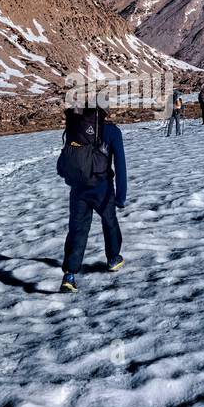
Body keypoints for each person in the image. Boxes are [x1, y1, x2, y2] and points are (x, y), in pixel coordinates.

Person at [56, 105, 126, 293]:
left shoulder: (76, 127)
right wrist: (121, 197)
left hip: (78, 188)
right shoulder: (112, 131)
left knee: (77, 229)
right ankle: (113, 258)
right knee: (109, 221)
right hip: (102, 187)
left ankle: (69, 275)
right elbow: (120, 165)